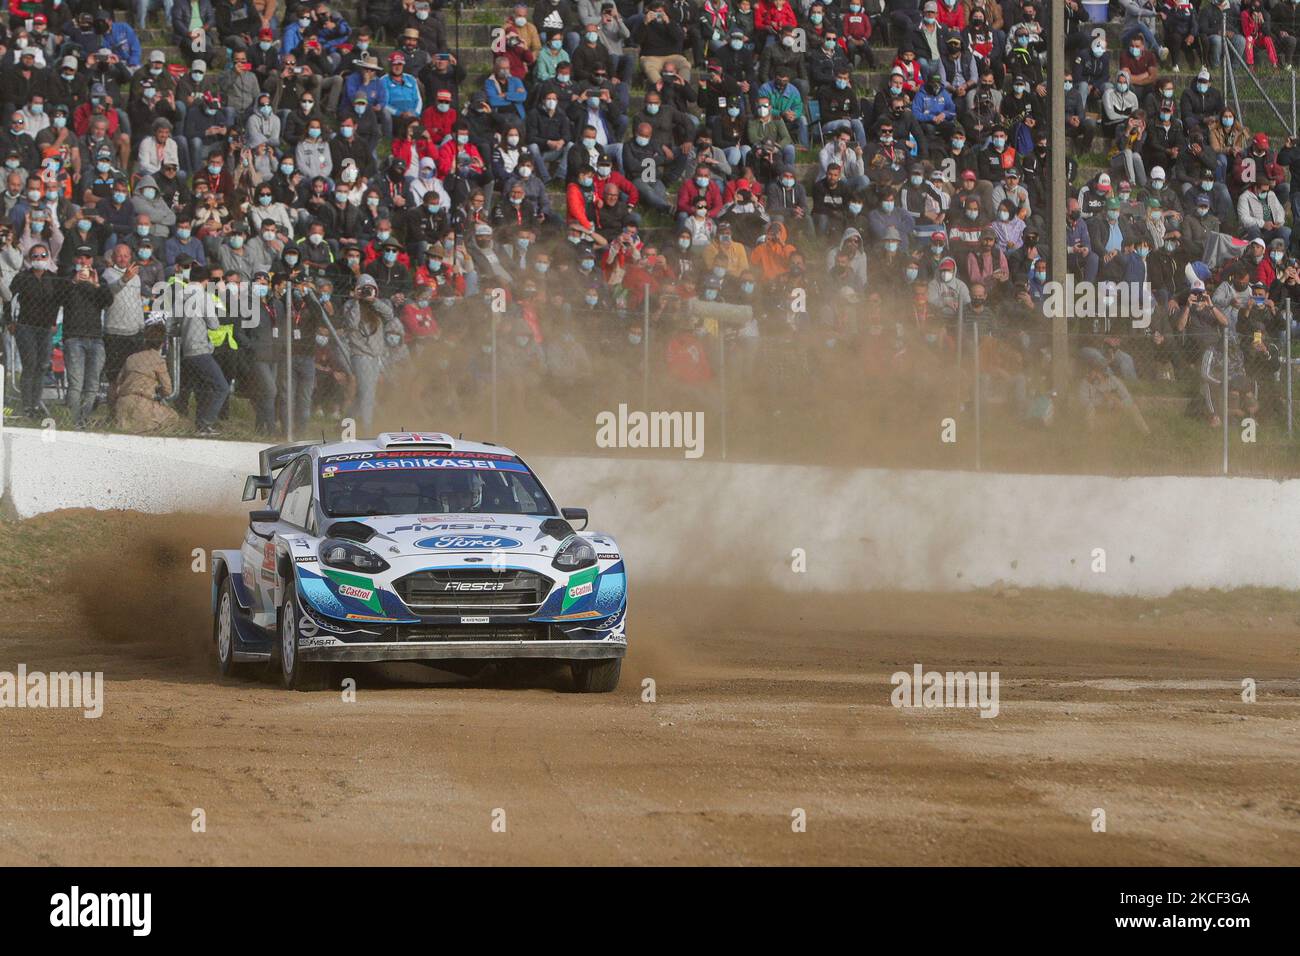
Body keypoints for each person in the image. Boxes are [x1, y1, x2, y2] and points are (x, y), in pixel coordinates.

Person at [114, 316, 181, 433]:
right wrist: (157, 389)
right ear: (162, 344)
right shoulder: (158, 360)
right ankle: (152, 436)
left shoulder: (131, 357)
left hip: (123, 403)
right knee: (173, 417)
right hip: (142, 403)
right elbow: (168, 390)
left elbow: (119, 381)